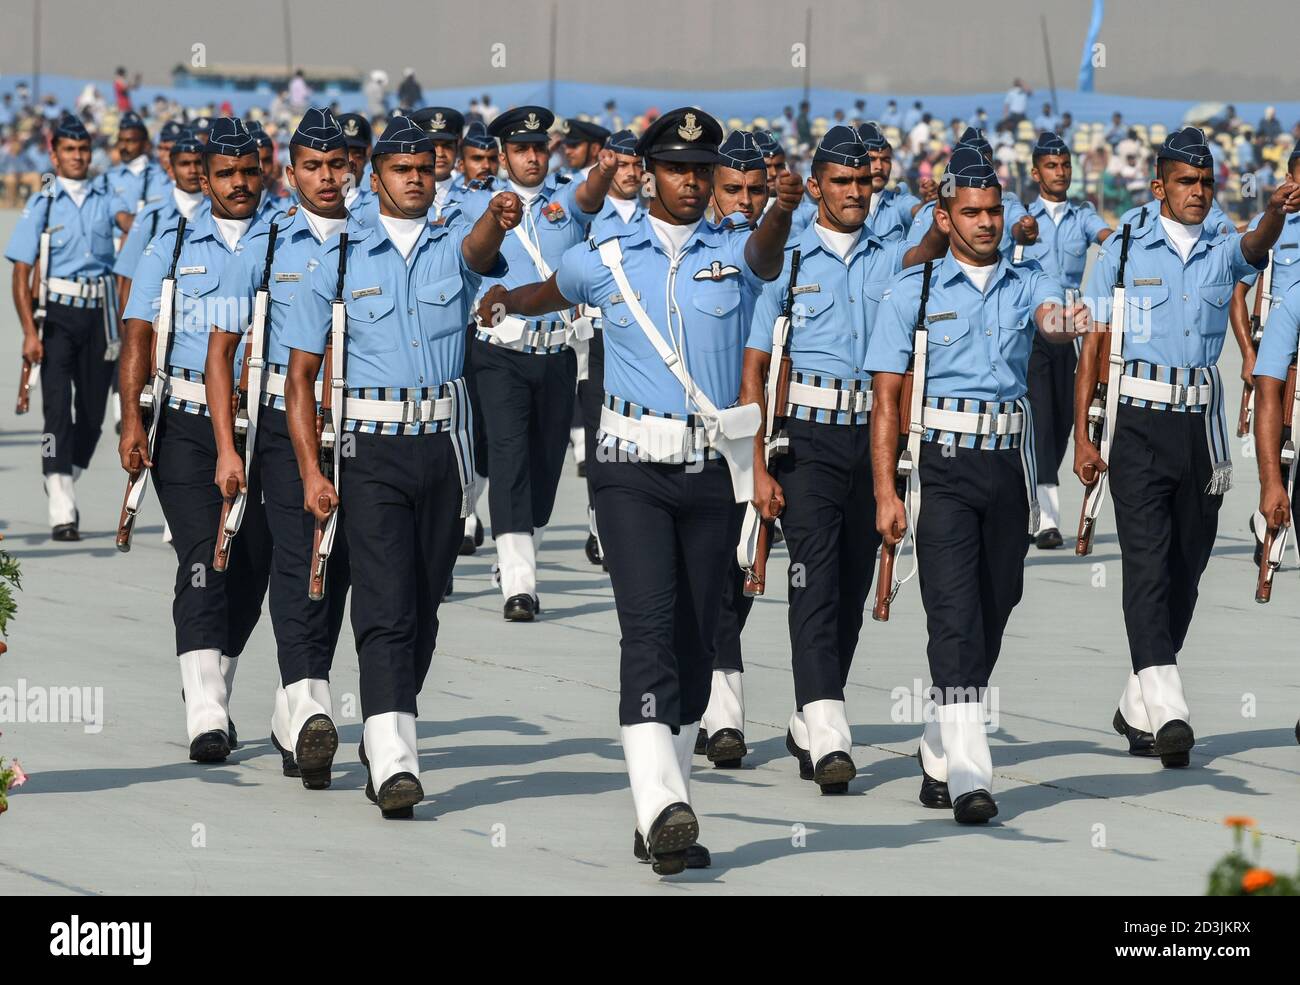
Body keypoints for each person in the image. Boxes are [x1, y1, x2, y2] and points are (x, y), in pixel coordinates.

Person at [477, 106, 801, 874]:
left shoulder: (739, 248)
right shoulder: (608, 251)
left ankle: (663, 810)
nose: (692, 182)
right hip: (628, 471)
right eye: (679, 169)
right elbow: (553, 289)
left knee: (697, 639)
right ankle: (661, 802)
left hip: (709, 473)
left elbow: (765, 254)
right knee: (650, 630)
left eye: (704, 171)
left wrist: (783, 206)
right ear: (648, 171)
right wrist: (503, 302)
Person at [281, 116, 521, 817]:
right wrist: (310, 471)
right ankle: (393, 758)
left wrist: (500, 222)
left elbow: (481, 252)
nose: (416, 177)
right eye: (401, 168)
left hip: (443, 450)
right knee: (384, 601)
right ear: (374, 175)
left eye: (425, 166)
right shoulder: (342, 255)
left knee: (424, 603)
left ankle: (387, 721)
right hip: (369, 449)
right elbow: (300, 378)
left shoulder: (454, 241)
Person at [869, 145, 1089, 823]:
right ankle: (970, 770)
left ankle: (939, 737)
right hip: (943, 465)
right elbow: (885, 398)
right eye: (973, 211)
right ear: (946, 215)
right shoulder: (916, 289)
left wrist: (1076, 321)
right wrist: (884, 490)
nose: (988, 222)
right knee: (955, 614)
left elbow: (1054, 322)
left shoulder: (1026, 285)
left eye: (994, 210)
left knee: (997, 605)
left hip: (1008, 467)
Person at [1076, 128, 1300, 768]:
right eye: (1185, 182)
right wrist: (1082, 434)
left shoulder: (1227, 242)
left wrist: (1272, 216)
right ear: (1159, 188)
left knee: (1187, 567)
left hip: (1201, 427)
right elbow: (1092, 339)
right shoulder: (1120, 249)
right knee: (1146, 562)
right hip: (1138, 424)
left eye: (1205, 182)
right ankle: (1169, 701)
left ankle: (1136, 697)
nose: (1197, 192)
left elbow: (1255, 251)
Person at [746, 126, 948, 792]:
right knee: (813, 574)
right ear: (815, 187)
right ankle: (830, 728)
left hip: (873, 437)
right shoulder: (790, 258)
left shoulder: (891, 256)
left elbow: (926, 254)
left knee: (855, 584)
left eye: (863, 181)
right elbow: (757, 363)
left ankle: (811, 711)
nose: (856, 192)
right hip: (805, 437)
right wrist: (755, 461)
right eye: (842, 182)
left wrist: (948, 218)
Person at [208, 109, 363, 789]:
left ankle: (288, 708)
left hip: (363, 425)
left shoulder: (377, 235)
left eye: (337, 164)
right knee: (301, 556)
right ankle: (309, 704)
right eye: (313, 166)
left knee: (344, 566)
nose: (327, 177)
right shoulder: (263, 240)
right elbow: (221, 348)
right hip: (280, 419)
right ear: (290, 169)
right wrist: (226, 446)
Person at [118, 118, 275, 763]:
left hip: (264, 425)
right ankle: (206, 713)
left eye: (249, 171)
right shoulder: (172, 241)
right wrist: (131, 418)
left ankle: (217, 685)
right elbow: (137, 333)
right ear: (202, 177)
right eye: (225, 174)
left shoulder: (287, 237)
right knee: (203, 554)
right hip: (184, 423)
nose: (239, 184)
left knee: (255, 560)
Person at [465, 105, 614, 621]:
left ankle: (518, 553)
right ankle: (520, 582)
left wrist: (608, 168)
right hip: (498, 353)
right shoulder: (476, 204)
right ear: (503, 155)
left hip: (556, 353)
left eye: (539, 148)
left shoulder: (566, 200)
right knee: (508, 459)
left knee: (547, 467)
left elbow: (591, 196)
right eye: (521, 149)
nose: (532, 157)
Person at [4, 113, 120, 540]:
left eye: (84, 149)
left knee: (91, 415)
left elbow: (130, 239)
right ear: (54, 154)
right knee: (56, 409)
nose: (77, 156)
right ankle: (61, 504)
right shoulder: (44, 201)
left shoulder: (107, 197)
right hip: (56, 315)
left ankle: (62, 472)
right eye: (69, 150)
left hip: (99, 315)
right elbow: (21, 272)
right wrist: (29, 334)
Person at [1017, 132, 1113, 548]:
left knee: (1064, 421)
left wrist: (1121, 242)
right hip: (1037, 326)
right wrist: (1021, 235)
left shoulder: (1082, 214)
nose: (1060, 172)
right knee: (1039, 418)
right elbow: (1009, 250)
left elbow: (1106, 235)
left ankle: (1034, 499)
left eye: (1065, 165)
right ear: (1036, 172)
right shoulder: (1022, 216)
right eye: (1052, 166)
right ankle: (1046, 518)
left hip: (1072, 327)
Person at [576, 128, 645, 568]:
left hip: (639, 338)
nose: (632, 173)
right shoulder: (589, 213)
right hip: (596, 337)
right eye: (623, 164)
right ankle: (599, 523)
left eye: (638, 165)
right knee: (599, 434)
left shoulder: (656, 215)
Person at [905, 127, 1036, 258]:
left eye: (984, 164)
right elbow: (913, 262)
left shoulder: (1007, 205)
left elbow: (1019, 228)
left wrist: (1025, 230)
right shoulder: (930, 211)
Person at [857, 122, 927, 244]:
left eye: (885, 160)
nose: (879, 166)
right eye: (871, 159)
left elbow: (916, 210)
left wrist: (927, 203)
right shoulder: (841, 203)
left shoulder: (898, 201)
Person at [105, 111, 166, 237]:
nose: (123, 146)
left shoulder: (162, 176)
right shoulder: (106, 179)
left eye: (130, 141)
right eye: (120, 140)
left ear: (145, 144)